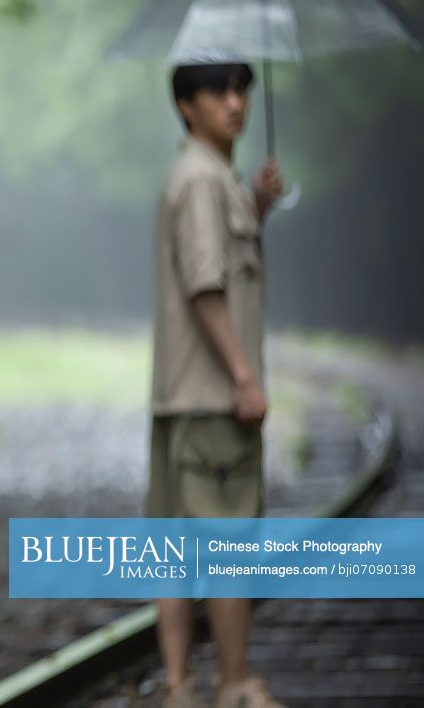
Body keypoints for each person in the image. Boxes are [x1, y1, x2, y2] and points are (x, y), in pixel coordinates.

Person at [147, 62, 285, 708]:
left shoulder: (209, 177)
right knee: (227, 547)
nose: (234, 103)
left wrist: (254, 206)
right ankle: (232, 683)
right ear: (185, 106)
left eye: (241, 90)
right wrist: (242, 375)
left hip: (178, 399)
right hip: (211, 399)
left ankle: (178, 688)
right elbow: (205, 286)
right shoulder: (203, 181)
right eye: (216, 93)